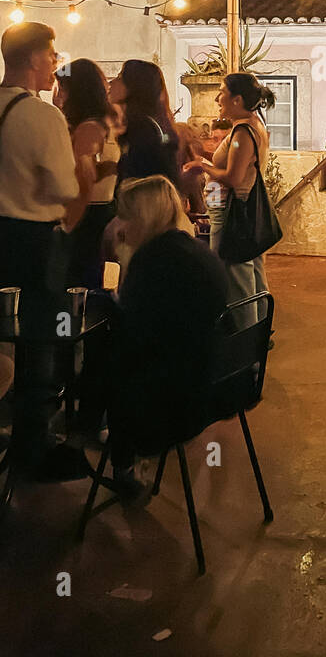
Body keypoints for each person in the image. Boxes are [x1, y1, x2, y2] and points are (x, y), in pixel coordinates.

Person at [83, 176, 229, 497]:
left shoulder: (153, 261)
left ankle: (99, 447)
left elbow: (133, 334)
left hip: (172, 402)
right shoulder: (194, 250)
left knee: (104, 349)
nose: (118, 224)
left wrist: (110, 289)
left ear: (143, 218)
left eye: (124, 215)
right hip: (216, 382)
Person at [183, 73, 274, 316]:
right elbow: (233, 164)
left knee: (238, 281)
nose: (218, 98)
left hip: (232, 209)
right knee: (253, 275)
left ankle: (246, 341)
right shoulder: (252, 125)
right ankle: (260, 332)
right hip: (243, 206)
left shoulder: (242, 132)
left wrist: (202, 166)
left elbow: (233, 177)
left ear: (237, 99)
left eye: (222, 92)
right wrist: (203, 156)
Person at [0, 23, 79, 295]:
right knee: (39, 323)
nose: (56, 63)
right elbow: (64, 188)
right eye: (51, 55)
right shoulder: (44, 115)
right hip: (32, 239)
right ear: (34, 59)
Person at [54, 58, 120, 288]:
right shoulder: (108, 123)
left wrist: (66, 226)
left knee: (75, 282)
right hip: (100, 211)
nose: (57, 95)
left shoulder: (88, 129)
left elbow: (85, 181)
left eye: (62, 89)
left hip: (85, 215)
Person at [109, 60, 180, 189]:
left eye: (120, 78)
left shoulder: (142, 128)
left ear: (134, 86)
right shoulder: (148, 124)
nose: (111, 82)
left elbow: (139, 174)